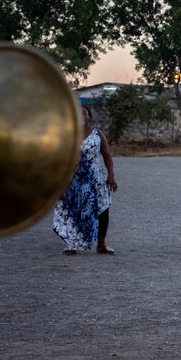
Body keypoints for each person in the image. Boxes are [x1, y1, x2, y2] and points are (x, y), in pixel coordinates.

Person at [53, 105, 119, 255]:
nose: (82, 116)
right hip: (74, 180)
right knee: (72, 209)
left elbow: (107, 156)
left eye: (85, 114)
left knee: (103, 208)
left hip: (96, 180)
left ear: (89, 117)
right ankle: (71, 244)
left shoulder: (98, 135)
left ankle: (101, 245)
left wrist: (111, 176)